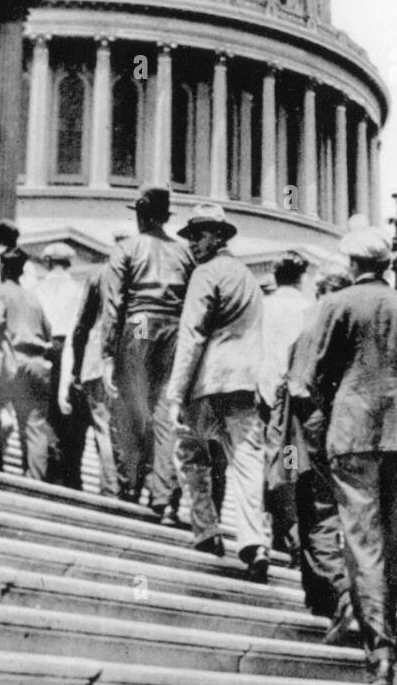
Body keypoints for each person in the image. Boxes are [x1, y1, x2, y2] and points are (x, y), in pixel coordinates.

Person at [307, 226, 397, 685]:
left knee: (363, 541)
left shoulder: (335, 306)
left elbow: (309, 378)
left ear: (353, 265)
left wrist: (328, 409)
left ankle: (379, 648)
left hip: (352, 433)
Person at [166, 204, 270, 582]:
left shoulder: (205, 274)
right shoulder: (250, 279)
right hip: (245, 383)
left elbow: (191, 336)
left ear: (218, 236)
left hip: (209, 383)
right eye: (191, 235)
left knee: (191, 453)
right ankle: (255, 543)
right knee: (246, 461)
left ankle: (207, 531)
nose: (192, 242)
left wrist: (176, 391)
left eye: (199, 234)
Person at [99, 186, 194, 519]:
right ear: (165, 217)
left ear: (140, 215)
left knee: (130, 407)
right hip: (174, 332)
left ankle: (129, 484)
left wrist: (108, 352)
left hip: (140, 325)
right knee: (164, 412)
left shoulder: (127, 248)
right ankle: (161, 493)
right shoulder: (185, 253)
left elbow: (113, 305)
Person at [274, 260, 355, 638]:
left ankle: (340, 596)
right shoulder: (356, 328)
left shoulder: (312, 326)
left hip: (309, 440)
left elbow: (295, 389)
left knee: (316, 517)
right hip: (355, 441)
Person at [257, 249, 312, 559]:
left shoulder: (265, 308)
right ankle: (289, 533)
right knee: (290, 463)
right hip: (298, 400)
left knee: (273, 463)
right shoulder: (310, 309)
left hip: (269, 397)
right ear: (301, 277)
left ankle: (282, 530)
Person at [0, 247, 56, 480]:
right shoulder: (34, 298)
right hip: (38, 364)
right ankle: (36, 482)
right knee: (36, 427)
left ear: (3, 268)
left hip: (12, 361)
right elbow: (48, 332)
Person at [65, 264, 123, 498]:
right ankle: (124, 484)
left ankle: (111, 487)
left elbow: (83, 323)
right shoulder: (141, 275)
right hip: (127, 363)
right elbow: (143, 322)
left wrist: (76, 367)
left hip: (97, 359)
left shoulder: (99, 274)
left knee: (103, 426)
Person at [36, 243, 87, 488]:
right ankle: (68, 471)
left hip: (45, 346)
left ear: (47, 262)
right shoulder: (77, 289)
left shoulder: (38, 287)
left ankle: (48, 465)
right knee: (65, 409)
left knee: (44, 408)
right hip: (69, 349)